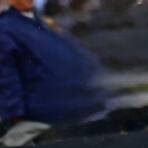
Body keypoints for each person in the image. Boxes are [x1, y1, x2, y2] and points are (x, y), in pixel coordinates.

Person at [0, 0, 107, 137]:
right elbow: (7, 78)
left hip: (80, 108)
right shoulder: (6, 28)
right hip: (48, 118)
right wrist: (16, 118)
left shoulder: (41, 23)